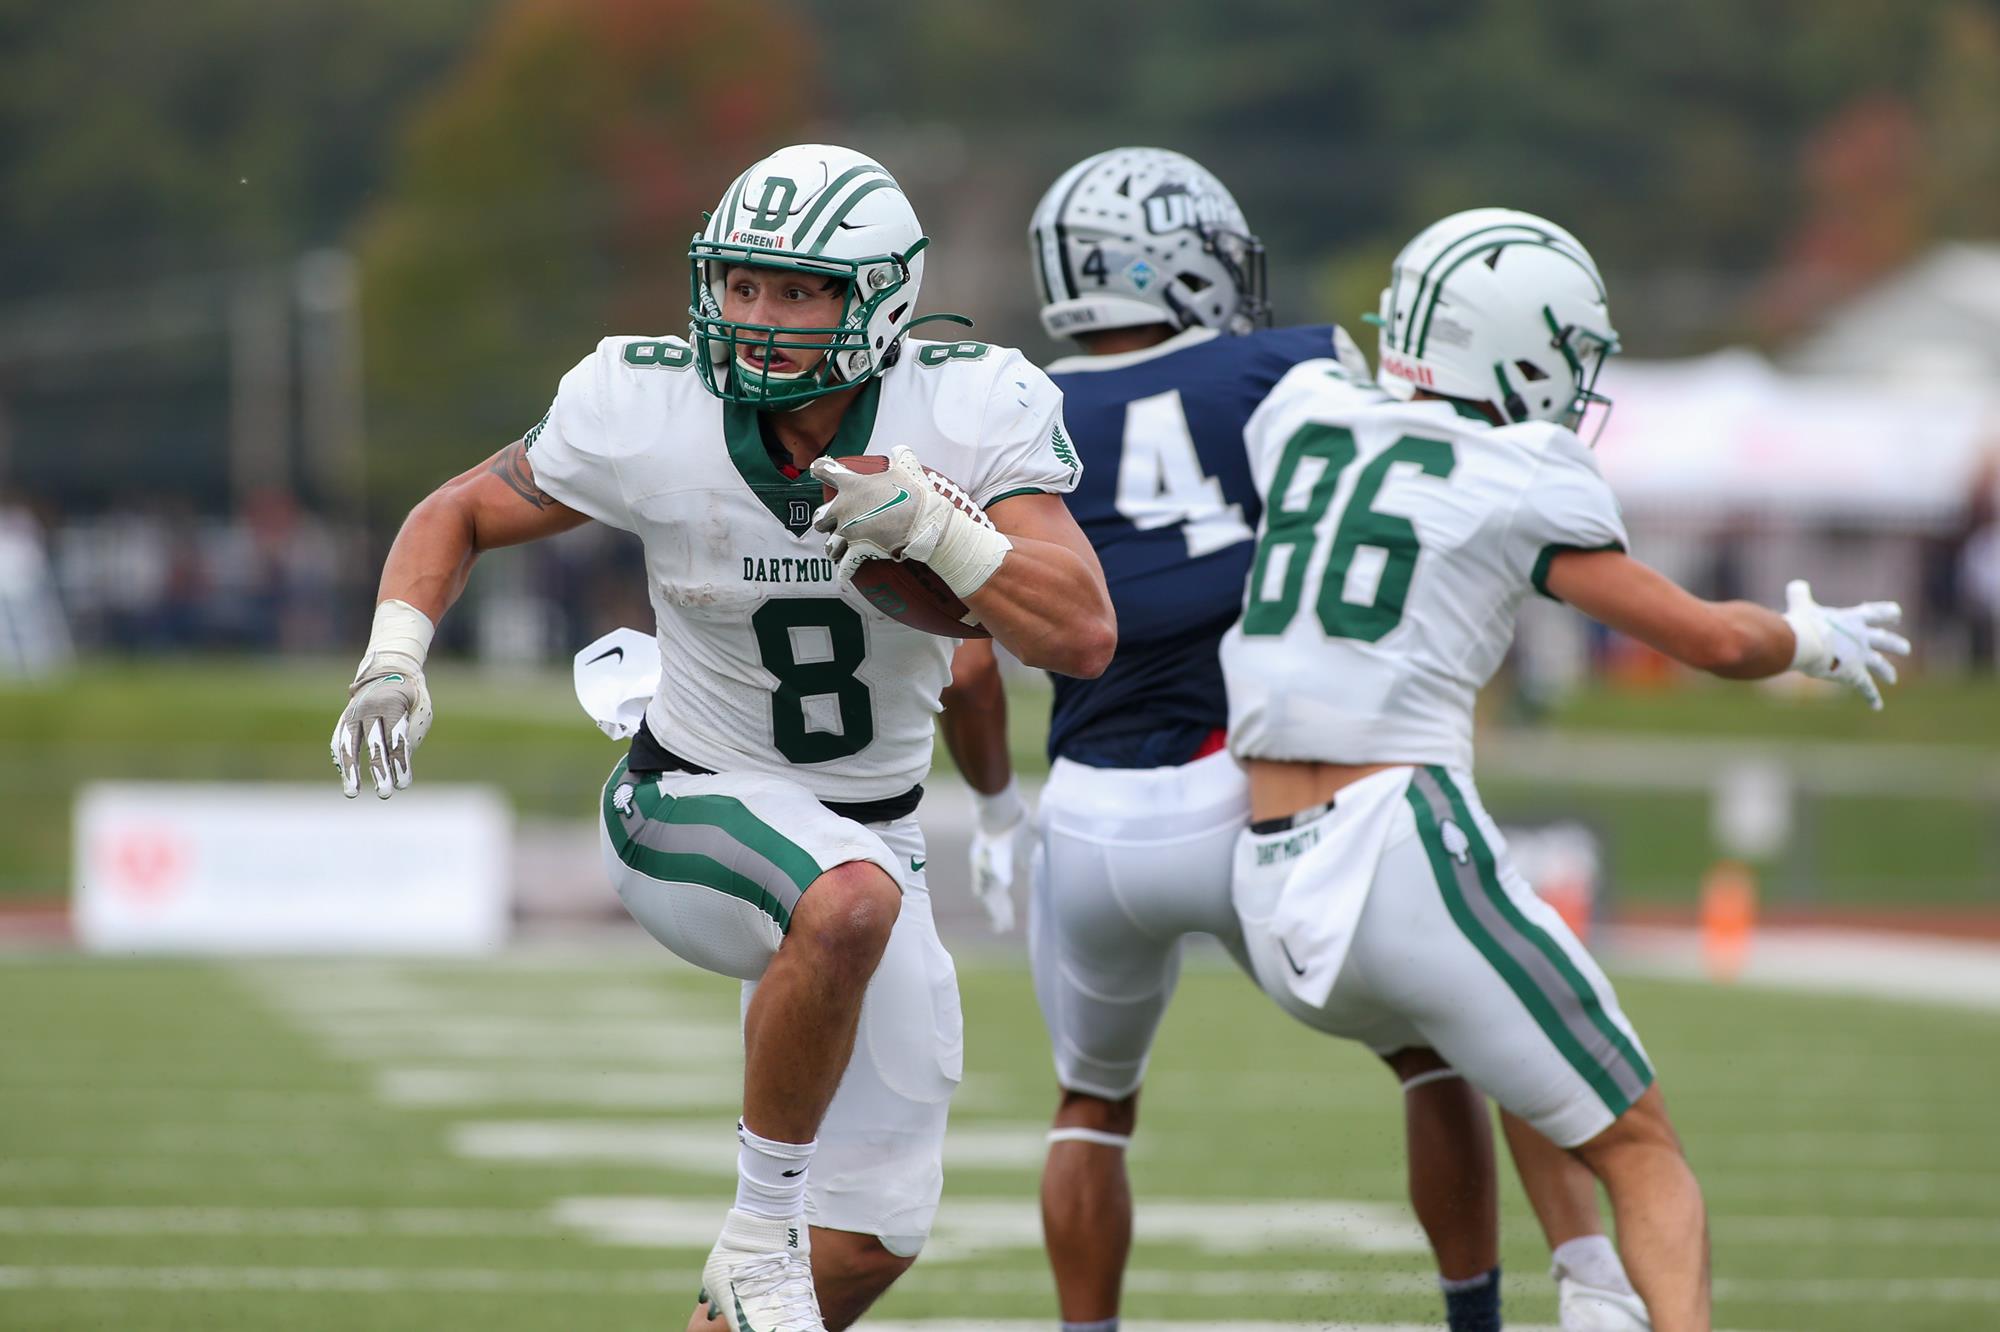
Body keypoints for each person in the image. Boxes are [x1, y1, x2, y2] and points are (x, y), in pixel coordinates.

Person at [329, 143, 1115, 1332]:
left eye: (798, 291)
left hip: (873, 832)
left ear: (882, 300)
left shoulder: (965, 407)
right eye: (741, 284)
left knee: (865, 1241)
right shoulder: (648, 401)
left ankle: (764, 1260)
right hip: (684, 801)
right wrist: (395, 652)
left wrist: (943, 535)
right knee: (843, 911)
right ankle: (755, 1222)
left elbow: (1082, 633)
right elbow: (459, 509)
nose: (757, 318)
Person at [942, 150, 1639, 1332]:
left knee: (1089, 1107)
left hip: (1089, 811)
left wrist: (1000, 810)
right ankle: (1489, 1311)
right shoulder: (1290, 367)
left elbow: (966, 660)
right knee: (1436, 1049)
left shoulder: (1006, 404)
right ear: (1170, 263)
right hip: (1248, 796)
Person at [1222, 207, 1908, 1332]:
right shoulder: (1520, 470)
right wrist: (1808, 639)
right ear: (1519, 347)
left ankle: (1589, 1283)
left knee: (1497, 1044)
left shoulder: (1301, 414)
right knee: (1640, 1144)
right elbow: (1711, 641)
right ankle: (1616, 1297)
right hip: (1393, 835)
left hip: (1264, 876)